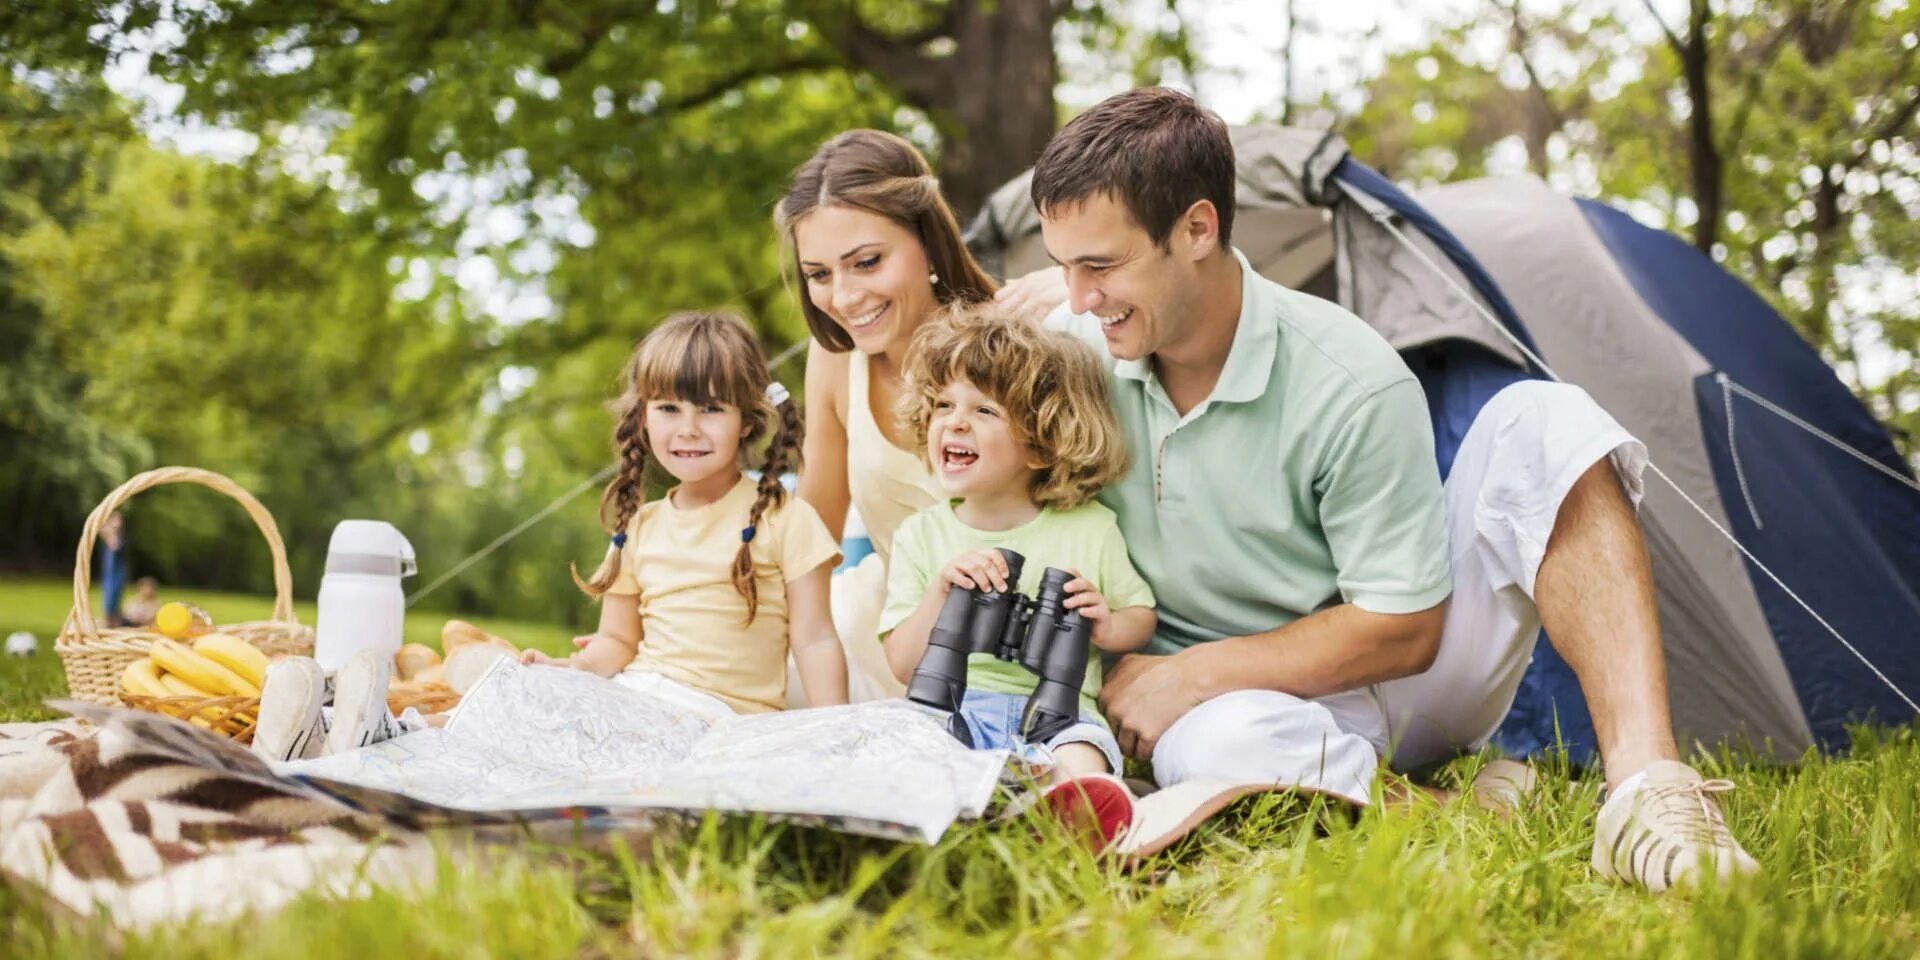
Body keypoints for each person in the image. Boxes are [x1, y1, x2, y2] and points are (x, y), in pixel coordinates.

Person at [1028, 87, 1757, 892]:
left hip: (1406, 674)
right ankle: (1462, 805)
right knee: (1213, 748)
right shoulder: (1071, 351)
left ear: (1198, 228)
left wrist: (1190, 674)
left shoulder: (1348, 374)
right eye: (1062, 266)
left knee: (1544, 418)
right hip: (1249, 722)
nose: (1077, 297)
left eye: (1099, 265)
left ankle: (1650, 792)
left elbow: (1407, 630)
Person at [252, 311, 850, 761]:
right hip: (640, 697)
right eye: (668, 408)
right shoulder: (642, 526)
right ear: (643, 416)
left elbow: (817, 639)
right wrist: (571, 669)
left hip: (714, 722)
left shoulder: (783, 518)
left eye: (710, 410)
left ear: (747, 419)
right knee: (523, 689)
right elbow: (617, 643)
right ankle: (365, 737)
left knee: (551, 722)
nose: (687, 429)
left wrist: (836, 736)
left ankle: (379, 740)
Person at [880, 302, 1156, 849]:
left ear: (1039, 444)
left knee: (1082, 752)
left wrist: (1105, 624)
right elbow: (901, 664)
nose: (954, 422)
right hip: (951, 707)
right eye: (942, 406)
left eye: (984, 411)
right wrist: (941, 591)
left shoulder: (1090, 528)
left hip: (1058, 712)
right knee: (906, 743)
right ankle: (966, 815)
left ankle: (1073, 810)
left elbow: (1140, 618)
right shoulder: (922, 536)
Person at [775, 130, 1002, 702]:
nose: (845, 296)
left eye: (867, 263)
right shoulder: (834, 362)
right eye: (820, 274)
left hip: (1009, 645)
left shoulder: (1010, 347)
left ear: (927, 241)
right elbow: (812, 539)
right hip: (887, 630)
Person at [99, 512, 128, 628]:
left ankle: (114, 622)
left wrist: (110, 530)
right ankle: (109, 621)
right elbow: (101, 530)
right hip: (110, 573)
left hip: (116, 573)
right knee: (109, 597)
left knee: (114, 597)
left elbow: (114, 545)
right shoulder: (112, 535)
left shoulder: (118, 536)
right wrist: (108, 527)